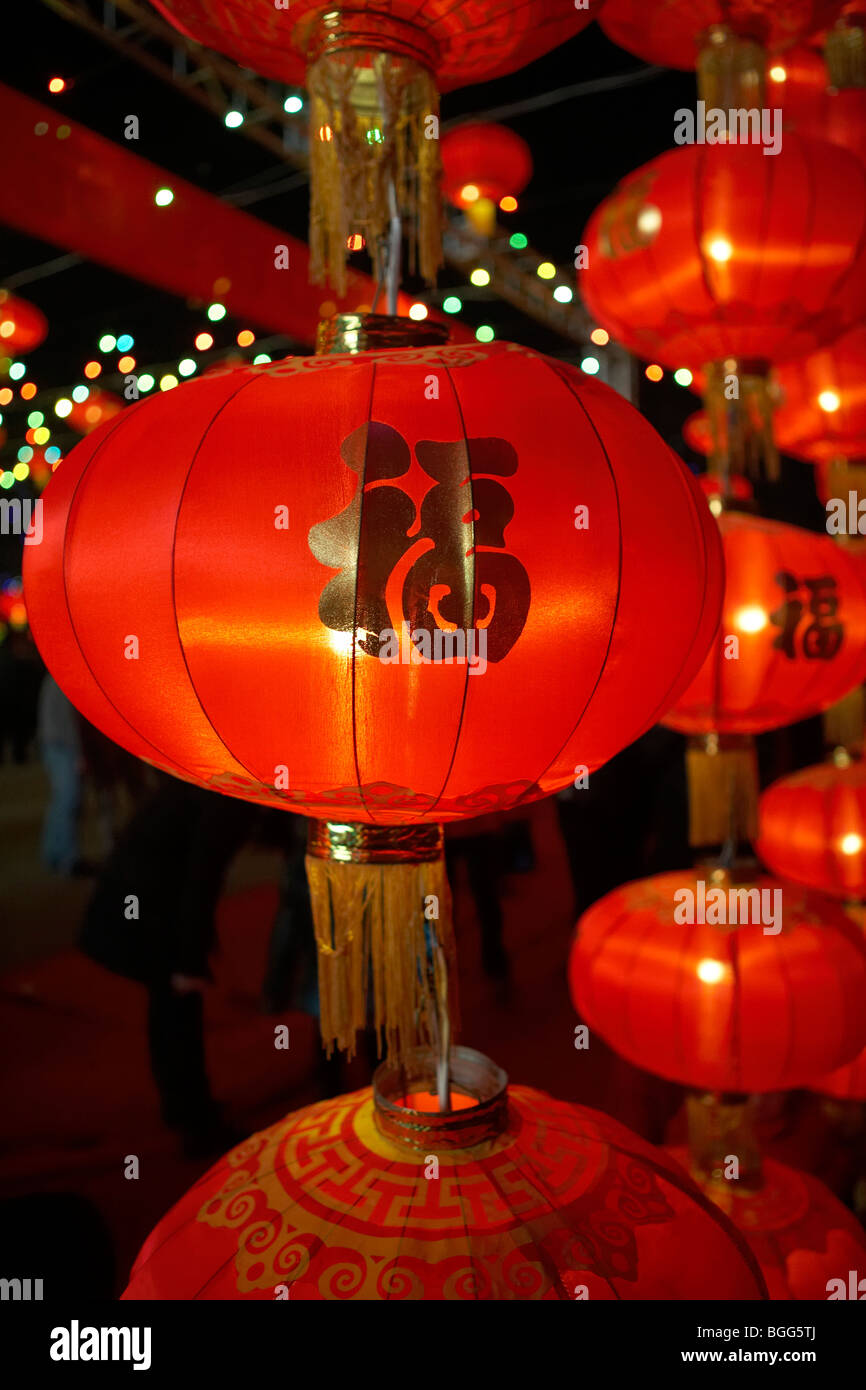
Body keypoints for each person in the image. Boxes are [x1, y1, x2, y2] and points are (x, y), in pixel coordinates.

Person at [80, 775, 256, 1156]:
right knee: (178, 1006)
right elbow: (202, 874)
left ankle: (183, 1107)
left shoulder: (214, 776)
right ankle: (196, 1123)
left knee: (171, 1005)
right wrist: (188, 958)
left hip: (148, 898)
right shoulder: (232, 794)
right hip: (148, 906)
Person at [37, 672, 84, 875]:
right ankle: (67, 858)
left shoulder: (53, 679)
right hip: (63, 746)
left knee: (61, 801)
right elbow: (67, 721)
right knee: (68, 801)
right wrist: (79, 753)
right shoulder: (63, 680)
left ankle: (53, 853)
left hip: (53, 744)